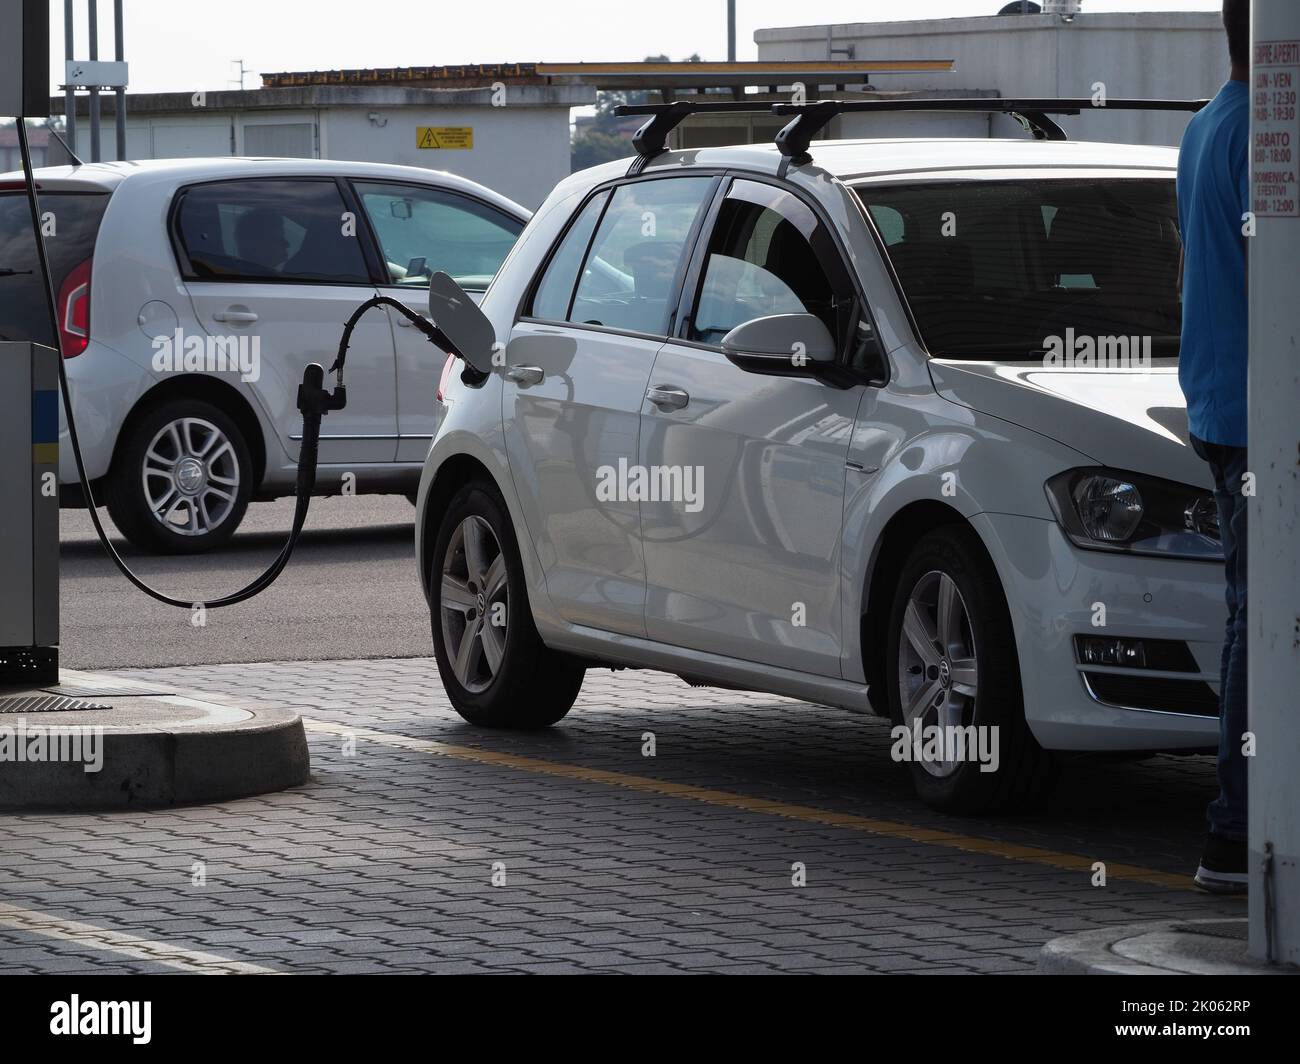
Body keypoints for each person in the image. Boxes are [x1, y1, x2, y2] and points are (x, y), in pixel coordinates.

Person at [1177, 0, 1251, 894]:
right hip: (1260, 413)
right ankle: (1236, 828)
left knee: (1251, 614)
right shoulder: (1263, 136)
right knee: (1260, 619)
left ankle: (1237, 828)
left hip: (1222, 404)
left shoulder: (1206, 128)